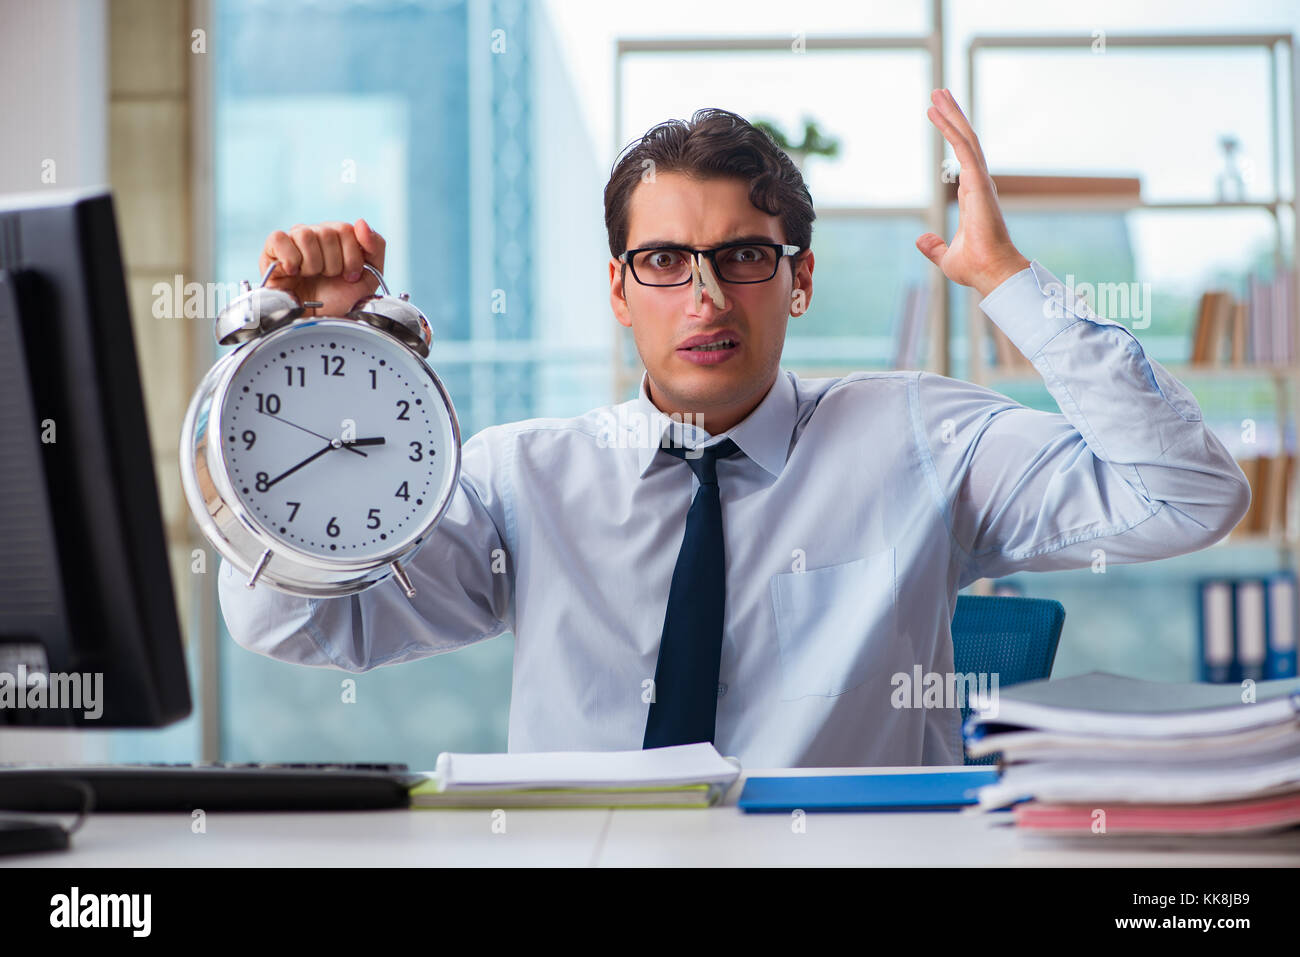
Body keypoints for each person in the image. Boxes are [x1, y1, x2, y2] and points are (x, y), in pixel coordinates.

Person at [219, 90, 1249, 767]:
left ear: (798, 281)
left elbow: (1188, 496)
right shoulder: (519, 478)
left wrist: (1005, 281)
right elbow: (294, 624)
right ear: (619, 292)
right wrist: (323, 371)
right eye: (665, 261)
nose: (705, 296)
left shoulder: (919, 438)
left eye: (744, 257)